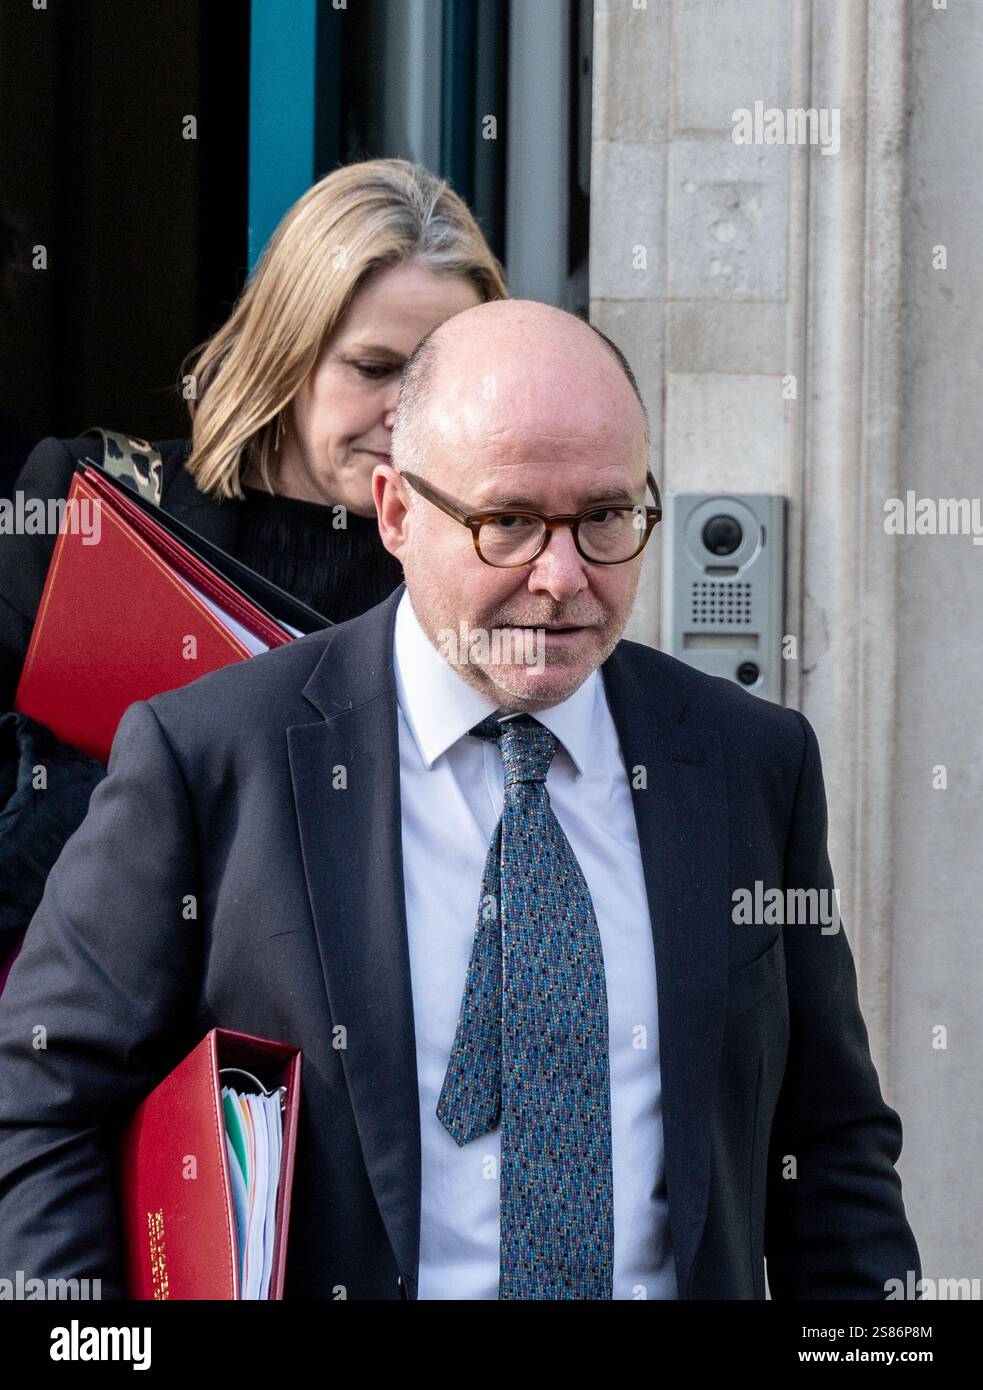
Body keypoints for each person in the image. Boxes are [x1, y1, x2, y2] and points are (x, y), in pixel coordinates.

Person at [0, 299, 920, 1300]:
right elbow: (43, 1098)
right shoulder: (215, 757)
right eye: (509, 521)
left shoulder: (749, 763)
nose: (562, 577)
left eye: (606, 517)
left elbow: (828, 1144)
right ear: (396, 512)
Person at [0, 157, 507, 708]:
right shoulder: (94, 508)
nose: (405, 411)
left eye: (439, 377)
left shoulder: (496, 560)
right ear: (286, 354)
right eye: (373, 369)